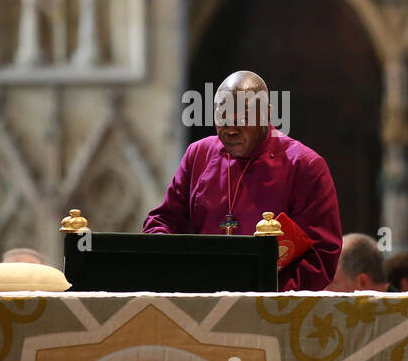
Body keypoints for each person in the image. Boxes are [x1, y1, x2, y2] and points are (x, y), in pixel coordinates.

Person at [143, 70, 342, 290]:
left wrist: (259, 289)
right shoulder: (198, 155)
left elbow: (321, 254)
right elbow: (163, 222)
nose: (231, 129)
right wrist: (176, 268)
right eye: (222, 116)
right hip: (199, 298)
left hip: (271, 307)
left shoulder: (305, 166)